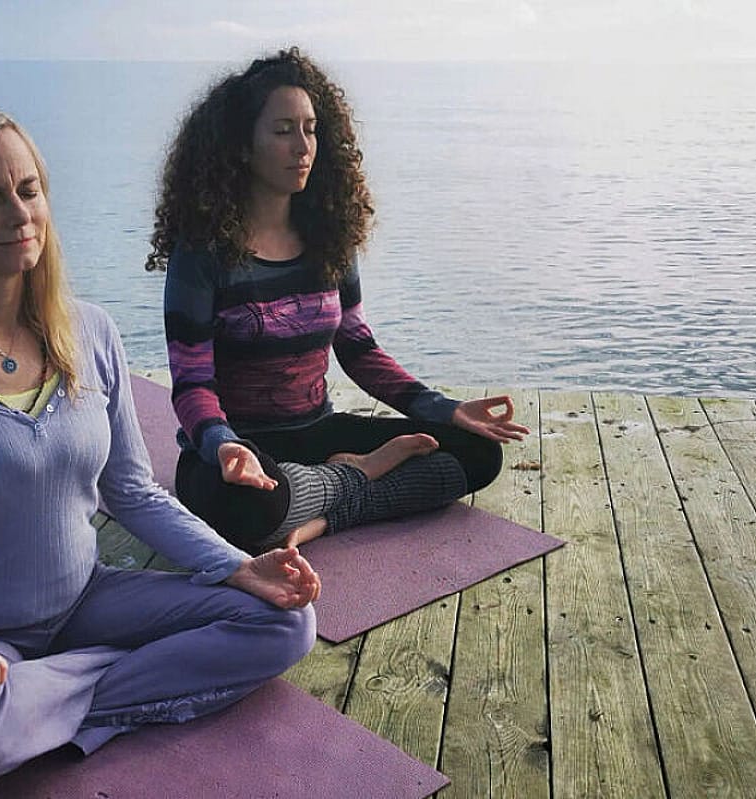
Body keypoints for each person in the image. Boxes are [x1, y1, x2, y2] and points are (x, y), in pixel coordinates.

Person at [0, 102, 319, 799]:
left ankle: (44, 702)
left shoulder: (90, 332)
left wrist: (239, 567)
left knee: (286, 619)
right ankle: (87, 685)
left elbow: (133, 491)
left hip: (85, 600)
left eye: (28, 191)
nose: (19, 214)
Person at [146, 47, 529, 555]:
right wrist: (223, 444)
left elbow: (360, 350)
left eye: (310, 129)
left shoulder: (329, 237)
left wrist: (445, 409)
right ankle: (354, 482)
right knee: (246, 512)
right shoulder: (202, 253)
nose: (303, 147)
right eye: (283, 131)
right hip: (237, 449)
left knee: (480, 452)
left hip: (319, 432)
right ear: (242, 145)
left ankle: (332, 501)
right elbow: (192, 382)